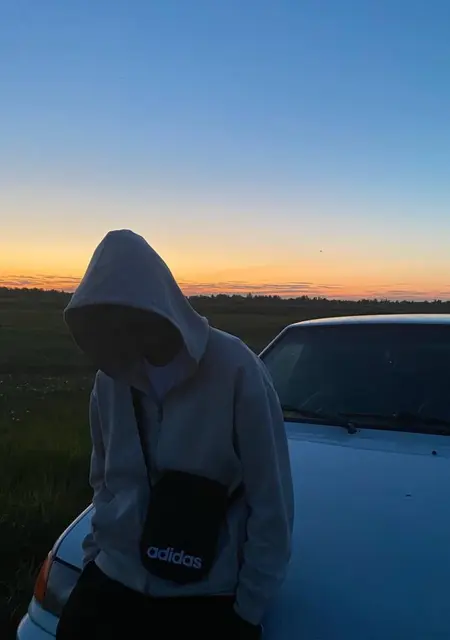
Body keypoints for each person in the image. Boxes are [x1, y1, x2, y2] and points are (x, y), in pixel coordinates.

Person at [56, 229, 294, 640]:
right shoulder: (109, 380)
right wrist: (95, 559)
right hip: (112, 582)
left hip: (204, 594)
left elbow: (271, 502)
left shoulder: (236, 369)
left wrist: (247, 611)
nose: (118, 332)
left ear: (155, 304)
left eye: (126, 314)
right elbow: (104, 482)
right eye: (102, 320)